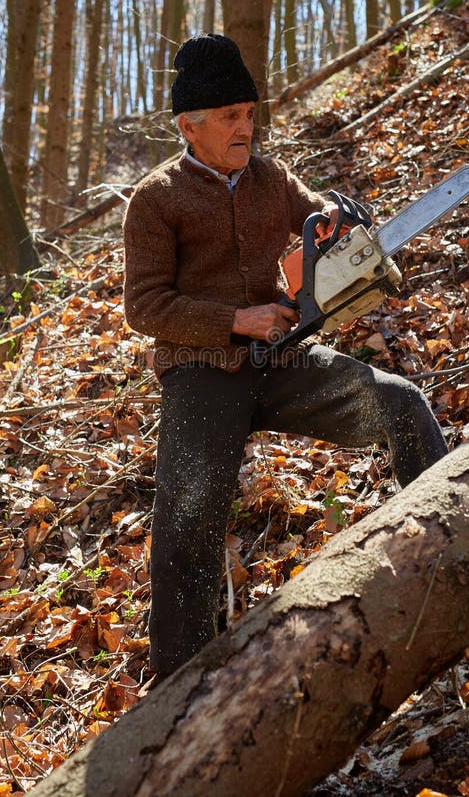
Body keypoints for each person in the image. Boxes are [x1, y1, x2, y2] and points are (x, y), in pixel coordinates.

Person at [123, 33, 447, 681]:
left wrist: (335, 219)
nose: (245, 128)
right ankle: (177, 691)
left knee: (399, 404)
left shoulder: (270, 178)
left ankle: (454, 553)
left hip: (281, 357)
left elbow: (313, 217)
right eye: (229, 118)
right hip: (201, 369)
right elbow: (145, 306)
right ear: (190, 126)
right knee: (188, 516)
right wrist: (232, 319)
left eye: (249, 114)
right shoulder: (155, 199)